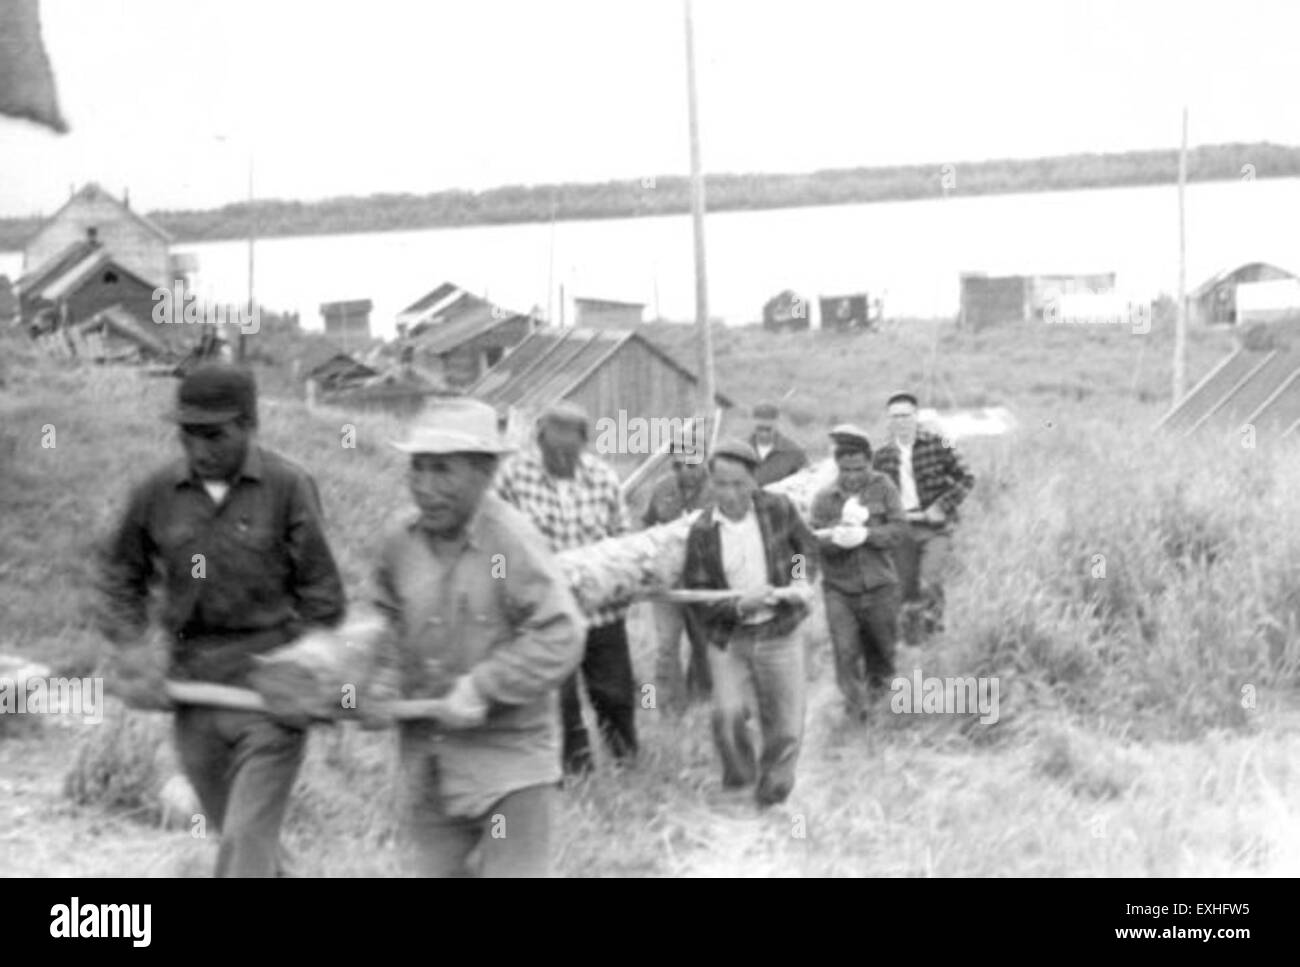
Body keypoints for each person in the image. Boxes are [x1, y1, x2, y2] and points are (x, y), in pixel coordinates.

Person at [97, 362, 346, 877]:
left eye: (215, 436)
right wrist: (132, 647)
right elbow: (121, 575)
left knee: (245, 841)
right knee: (236, 836)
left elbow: (323, 595)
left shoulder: (288, 487)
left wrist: (306, 664)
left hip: (268, 696)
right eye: (188, 436)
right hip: (193, 692)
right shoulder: (157, 493)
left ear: (249, 426)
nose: (200, 450)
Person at [367, 398, 585, 878]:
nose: (425, 487)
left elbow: (561, 633)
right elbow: (383, 621)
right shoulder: (399, 543)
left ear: (485, 473)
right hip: (430, 765)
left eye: (443, 471)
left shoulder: (512, 542)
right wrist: (364, 678)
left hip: (511, 766)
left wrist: (482, 686)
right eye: (418, 469)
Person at [495, 401, 636, 777]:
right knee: (561, 699)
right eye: (552, 448)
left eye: (569, 449)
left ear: (583, 444)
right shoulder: (512, 477)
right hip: (543, 615)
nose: (560, 456)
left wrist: (621, 581)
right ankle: (577, 771)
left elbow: (623, 539)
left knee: (614, 692)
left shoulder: (603, 477)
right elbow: (494, 540)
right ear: (539, 439)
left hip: (601, 610)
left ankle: (626, 760)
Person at [682, 439, 818, 807]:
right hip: (730, 638)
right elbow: (698, 598)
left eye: (739, 484)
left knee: (786, 722)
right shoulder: (702, 531)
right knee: (728, 714)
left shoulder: (778, 509)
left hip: (780, 631)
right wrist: (740, 606)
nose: (730, 493)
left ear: (754, 481)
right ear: (711, 484)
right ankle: (740, 785)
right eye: (722, 484)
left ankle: (773, 788)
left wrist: (800, 579)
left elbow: (804, 550)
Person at [810, 425, 906, 720]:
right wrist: (833, 540)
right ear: (838, 467)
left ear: (869, 463)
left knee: (883, 651)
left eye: (859, 468)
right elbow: (806, 543)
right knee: (845, 651)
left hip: (880, 586)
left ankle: (882, 704)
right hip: (840, 589)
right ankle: (856, 712)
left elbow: (900, 530)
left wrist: (868, 535)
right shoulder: (824, 497)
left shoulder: (885, 487)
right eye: (846, 469)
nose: (852, 476)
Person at [872, 392, 975, 641]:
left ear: (916, 417)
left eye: (906, 416)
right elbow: (872, 494)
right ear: (889, 420)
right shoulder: (881, 454)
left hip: (934, 527)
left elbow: (966, 477)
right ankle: (911, 640)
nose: (901, 422)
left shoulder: (941, 443)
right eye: (895, 417)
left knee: (930, 579)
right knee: (905, 588)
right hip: (901, 529)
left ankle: (935, 632)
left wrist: (942, 506)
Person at [641, 433, 714, 710]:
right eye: (679, 465)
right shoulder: (661, 489)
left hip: (705, 585)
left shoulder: (718, 490)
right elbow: (646, 527)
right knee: (665, 649)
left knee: (704, 647)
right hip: (667, 584)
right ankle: (659, 707)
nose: (686, 471)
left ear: (705, 462)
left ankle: (700, 703)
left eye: (693, 465)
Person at [748, 402, 808, 486]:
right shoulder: (739, 450)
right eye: (760, 428)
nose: (764, 434)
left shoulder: (794, 452)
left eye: (768, 429)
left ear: (777, 423)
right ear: (752, 422)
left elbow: (805, 483)